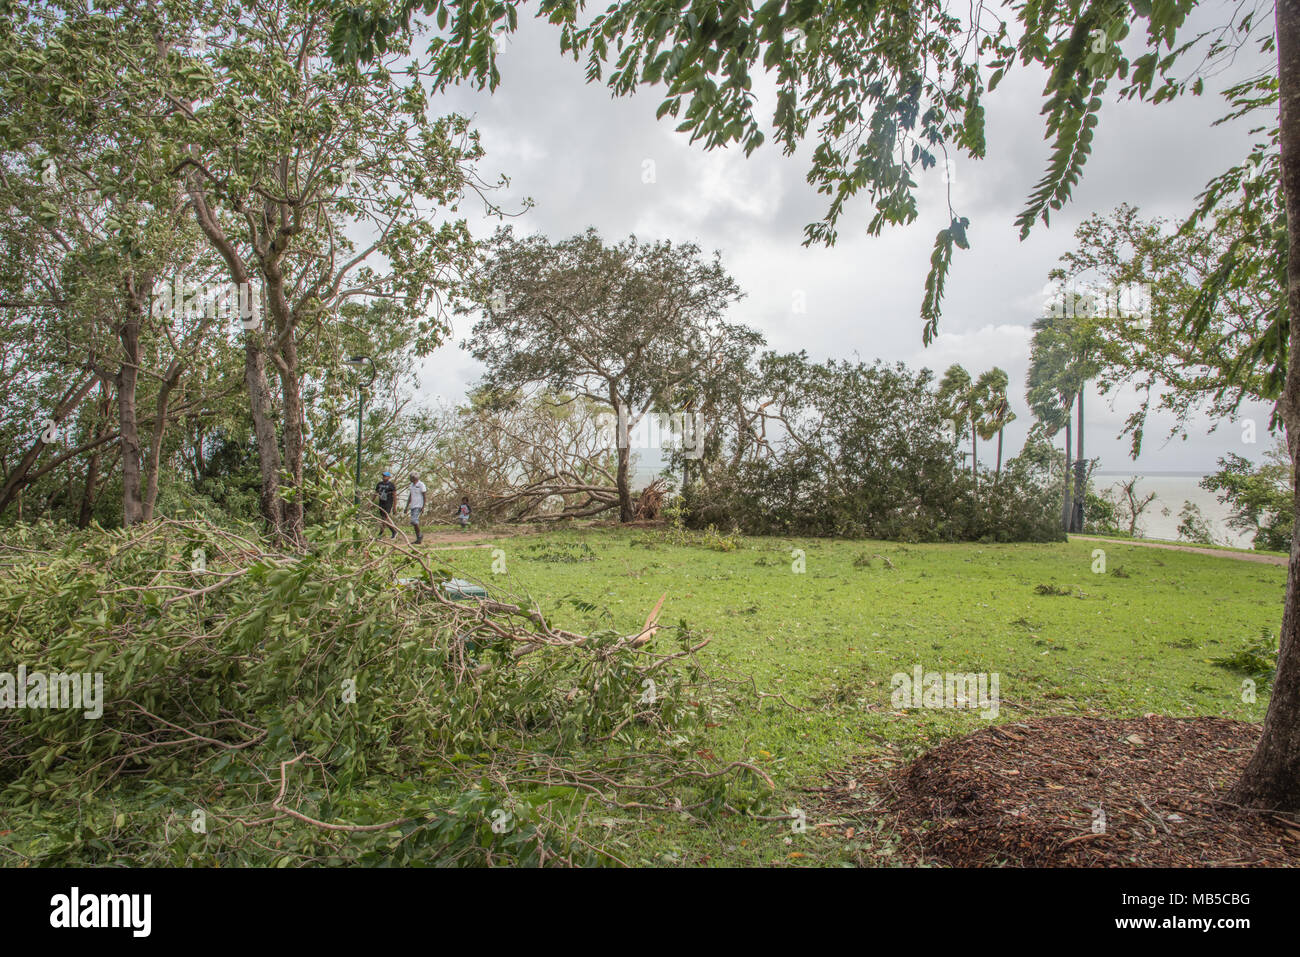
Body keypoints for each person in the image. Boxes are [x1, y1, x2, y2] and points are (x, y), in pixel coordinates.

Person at [374, 470, 397, 538]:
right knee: (383, 518)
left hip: (388, 503)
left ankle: (391, 531)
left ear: (389, 477)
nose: (384, 477)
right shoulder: (379, 484)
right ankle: (382, 533)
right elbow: (375, 493)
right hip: (381, 502)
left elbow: (395, 496)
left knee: (385, 518)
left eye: (385, 476)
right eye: (383, 476)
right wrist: (371, 502)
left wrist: (394, 506)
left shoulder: (391, 485)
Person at [407, 473, 427, 544]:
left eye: (411, 477)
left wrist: (423, 507)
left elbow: (424, 496)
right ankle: (419, 537)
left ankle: (420, 536)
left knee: (414, 521)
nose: (410, 479)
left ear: (415, 478)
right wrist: (406, 506)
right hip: (413, 505)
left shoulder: (421, 485)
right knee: (414, 522)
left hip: (418, 505)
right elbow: (410, 496)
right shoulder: (411, 486)